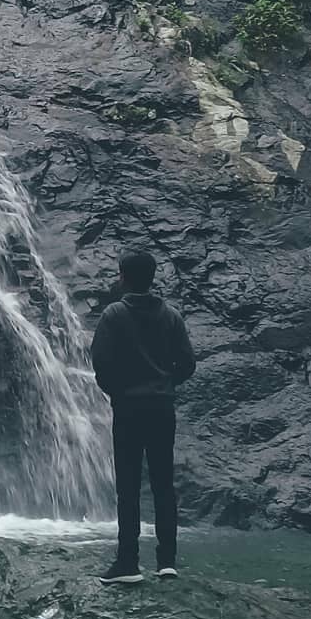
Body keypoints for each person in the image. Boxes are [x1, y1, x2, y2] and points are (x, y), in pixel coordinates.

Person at [91, 248, 196, 584]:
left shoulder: (113, 315)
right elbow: (188, 364)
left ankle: (128, 562)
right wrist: (166, 383)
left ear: (123, 277)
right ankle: (167, 561)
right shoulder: (171, 316)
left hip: (129, 409)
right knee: (164, 483)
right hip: (163, 408)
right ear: (152, 278)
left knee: (129, 486)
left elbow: (101, 365)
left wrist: (118, 392)